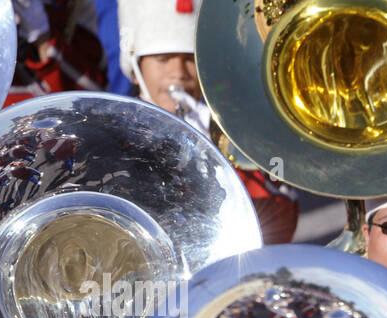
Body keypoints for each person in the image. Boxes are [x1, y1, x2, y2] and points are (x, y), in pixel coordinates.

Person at [118, 0, 299, 244]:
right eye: (163, 58)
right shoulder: (117, 134)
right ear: (136, 70)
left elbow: (279, 218)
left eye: (190, 59)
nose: (179, 71)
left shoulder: (229, 128)